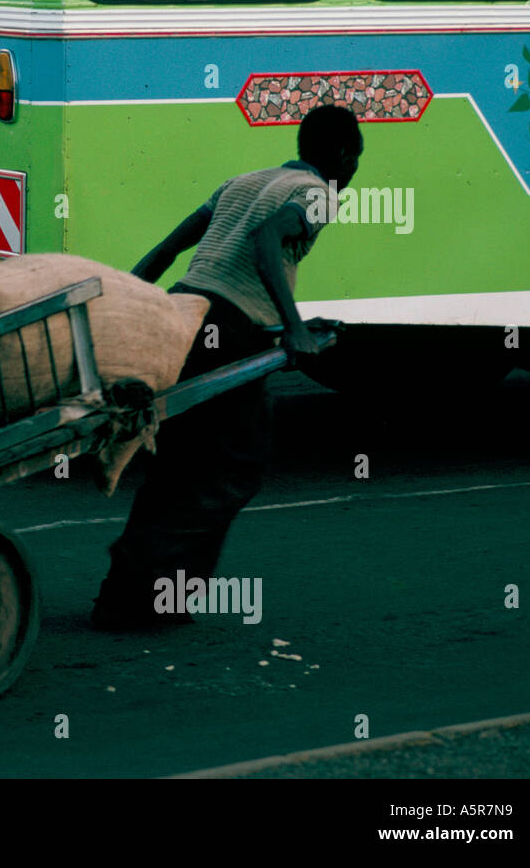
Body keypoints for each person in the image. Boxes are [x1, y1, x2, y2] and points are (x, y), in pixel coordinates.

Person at [92, 104, 364, 629]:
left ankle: (131, 595)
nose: (353, 174)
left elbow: (168, 250)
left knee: (179, 463)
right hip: (228, 333)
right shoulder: (318, 194)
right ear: (340, 156)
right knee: (232, 467)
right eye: (354, 160)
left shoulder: (243, 181)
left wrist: (128, 304)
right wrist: (294, 327)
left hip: (182, 316)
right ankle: (146, 599)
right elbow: (266, 240)